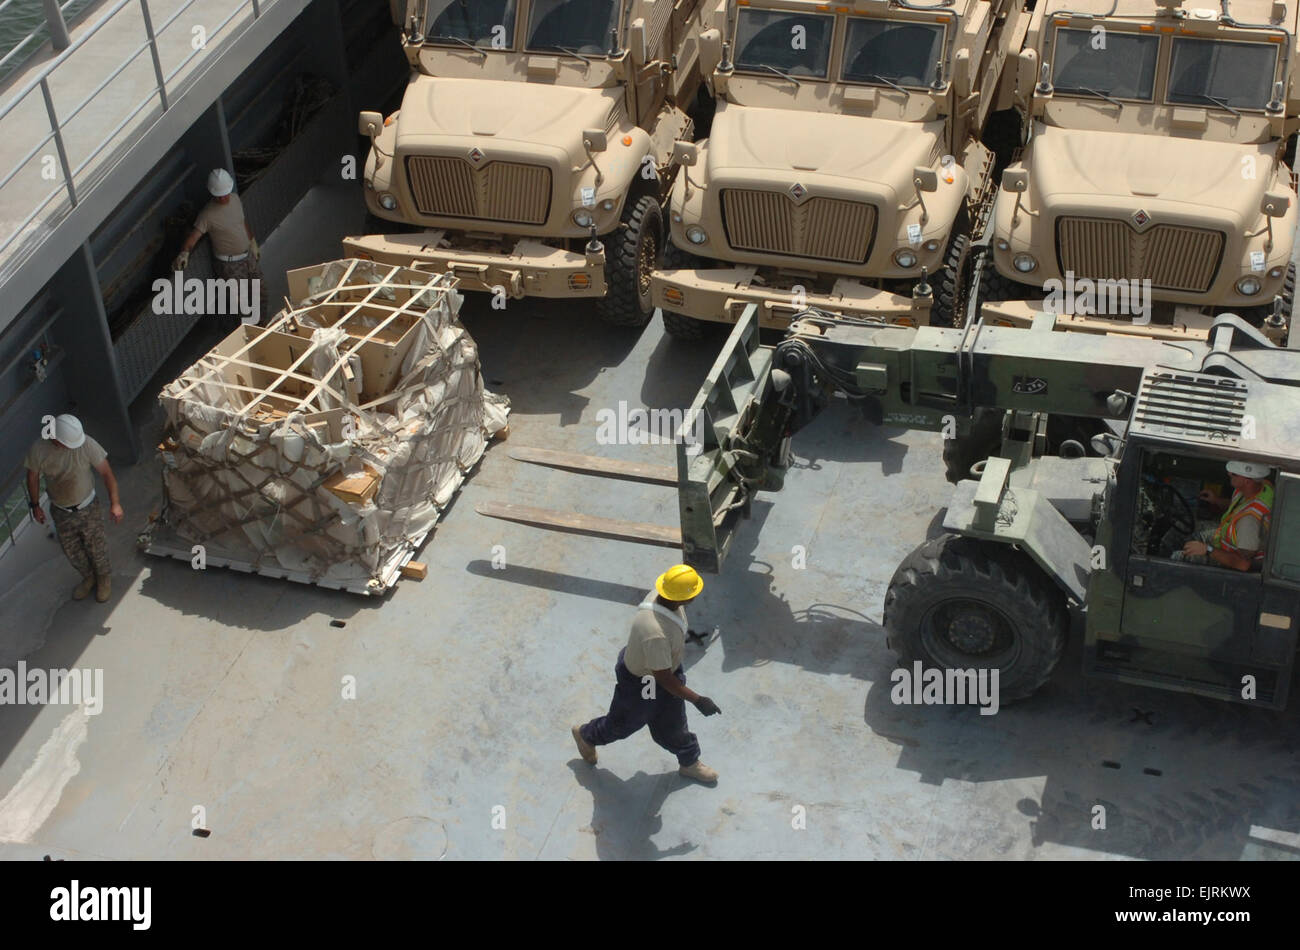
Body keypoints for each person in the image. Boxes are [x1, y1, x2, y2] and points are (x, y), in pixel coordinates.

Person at [573, 564, 722, 784]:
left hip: (663, 668)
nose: (697, 594)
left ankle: (689, 763)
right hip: (644, 683)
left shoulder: (662, 596)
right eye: (694, 592)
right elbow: (662, 679)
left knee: (673, 723)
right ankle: (587, 735)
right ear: (683, 598)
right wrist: (698, 700)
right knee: (625, 723)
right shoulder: (656, 634)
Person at [24, 415, 124, 602]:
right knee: (72, 551)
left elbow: (107, 474)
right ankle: (89, 577)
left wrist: (115, 503)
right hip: (61, 510)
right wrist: (35, 505)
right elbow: (32, 477)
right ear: (56, 439)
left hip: (87, 507)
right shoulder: (39, 450)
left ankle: (103, 578)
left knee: (97, 547)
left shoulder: (87, 444)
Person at [172, 168, 269, 325]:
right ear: (213, 194)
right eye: (220, 195)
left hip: (247, 256)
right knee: (242, 302)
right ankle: (252, 330)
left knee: (261, 291)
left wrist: (252, 243)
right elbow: (194, 237)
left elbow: (242, 222)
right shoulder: (207, 215)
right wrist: (184, 253)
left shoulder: (235, 199)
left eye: (225, 193)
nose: (224, 198)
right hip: (230, 265)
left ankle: (263, 322)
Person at [1173, 460, 1273, 571]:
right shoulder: (1259, 487)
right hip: (1223, 537)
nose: (1229, 474)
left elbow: (1243, 564)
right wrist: (1216, 500)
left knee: (1178, 557)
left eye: (1234, 474)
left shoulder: (1249, 523)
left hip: (1229, 561)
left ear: (1247, 481)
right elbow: (1237, 505)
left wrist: (1208, 550)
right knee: (1182, 524)